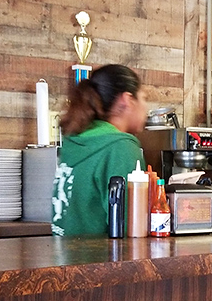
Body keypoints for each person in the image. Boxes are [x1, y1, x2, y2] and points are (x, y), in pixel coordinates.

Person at [52, 64, 147, 236]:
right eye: (143, 98)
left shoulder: (76, 140)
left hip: (64, 252)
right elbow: (131, 230)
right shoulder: (120, 147)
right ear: (127, 100)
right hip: (100, 254)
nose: (146, 108)